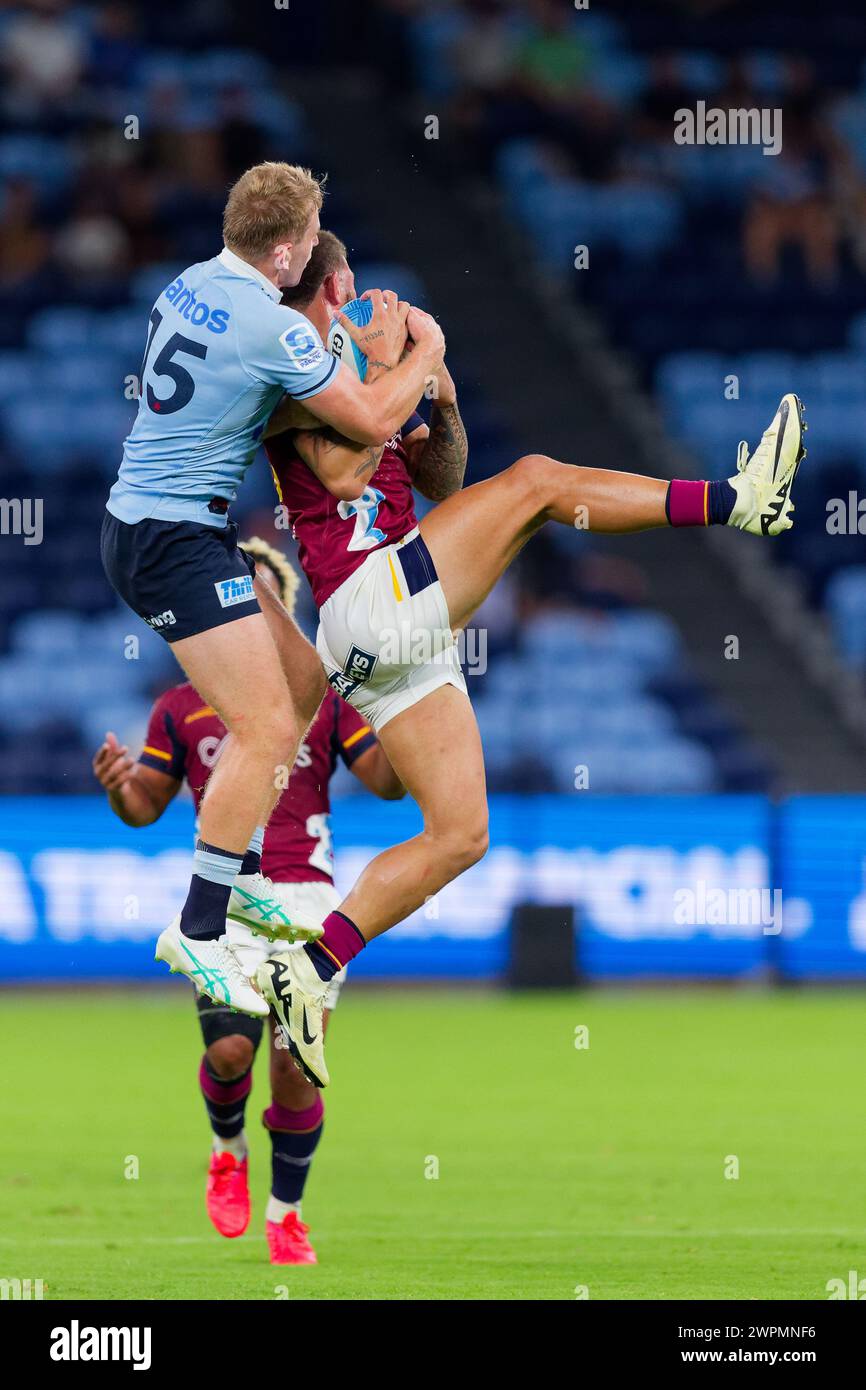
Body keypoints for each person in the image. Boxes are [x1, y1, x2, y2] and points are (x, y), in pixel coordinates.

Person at [256, 232, 807, 1088]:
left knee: (459, 835)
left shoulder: (360, 368)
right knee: (539, 482)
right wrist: (408, 357)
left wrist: (440, 402)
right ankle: (739, 498)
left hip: (399, 631)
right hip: (370, 596)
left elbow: (442, 479)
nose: (363, 297)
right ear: (331, 287)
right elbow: (342, 478)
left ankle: (311, 967)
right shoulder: (293, 369)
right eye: (350, 284)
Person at [99, 160, 444, 1016]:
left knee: (301, 686)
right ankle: (200, 928)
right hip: (171, 541)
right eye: (310, 236)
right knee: (265, 729)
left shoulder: (188, 283)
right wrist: (426, 355)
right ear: (285, 252)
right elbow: (372, 422)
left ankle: (242, 870)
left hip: (169, 524)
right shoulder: (272, 327)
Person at [93, 539, 404, 1264]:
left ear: (284, 612)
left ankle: (286, 1215)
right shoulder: (181, 707)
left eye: (261, 598)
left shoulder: (328, 702)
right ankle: (227, 1147)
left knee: (293, 1071)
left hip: (308, 904)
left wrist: (402, 707)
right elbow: (145, 805)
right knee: (231, 1051)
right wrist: (118, 786)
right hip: (227, 899)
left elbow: (388, 782)